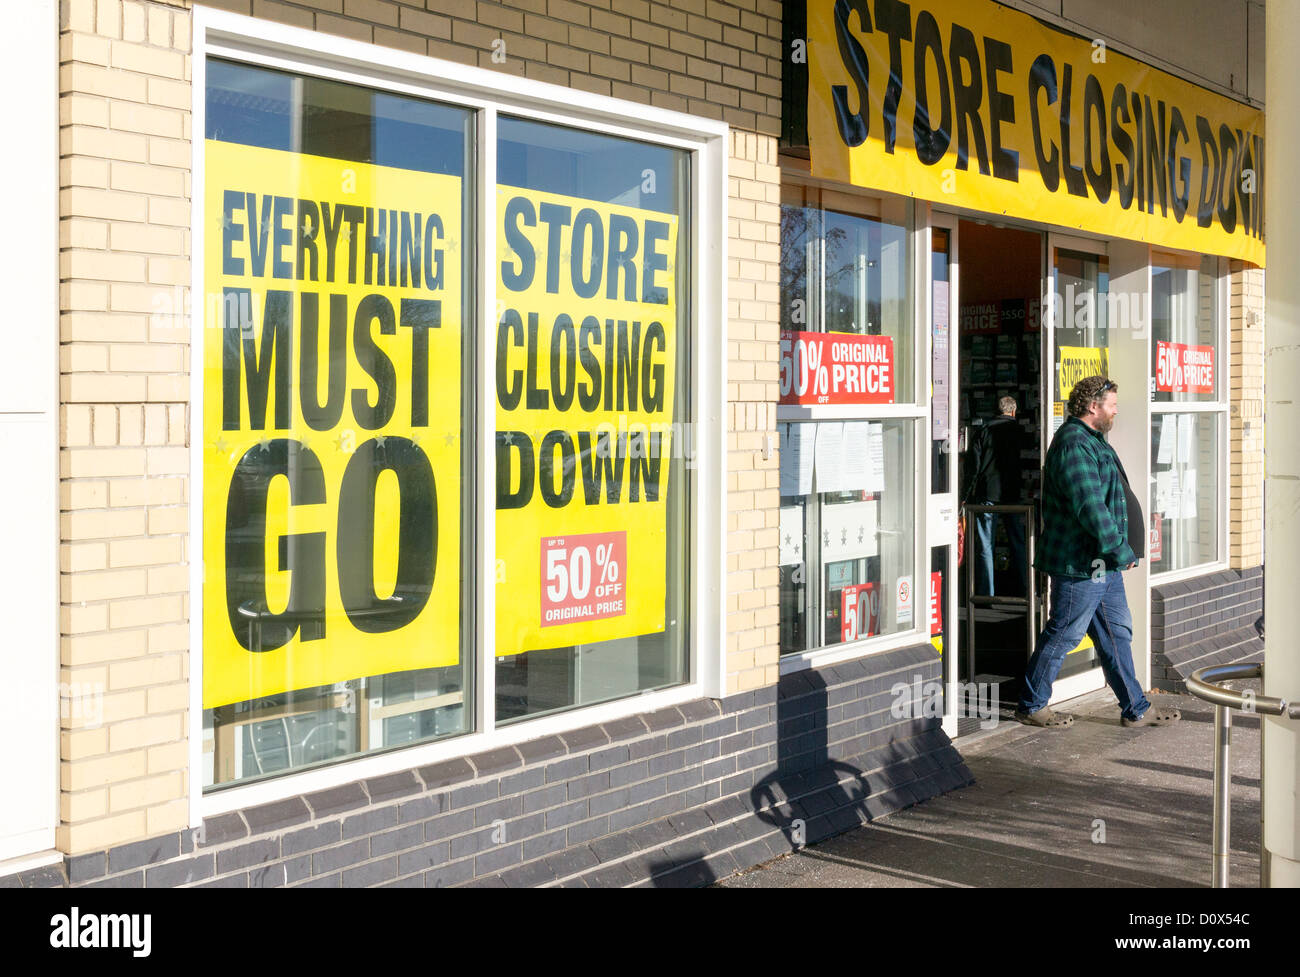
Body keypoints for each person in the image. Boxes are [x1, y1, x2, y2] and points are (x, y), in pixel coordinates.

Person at [1014, 376, 1180, 729]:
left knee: (1116, 632)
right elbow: (1090, 506)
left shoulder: (1093, 440)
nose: (1116, 411)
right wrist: (1120, 548)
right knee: (1064, 633)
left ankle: (1135, 707)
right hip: (1080, 564)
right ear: (1094, 406)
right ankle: (1031, 704)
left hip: (1101, 564)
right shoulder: (1074, 444)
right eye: (1113, 405)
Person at [961, 395, 1028, 596]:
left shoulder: (984, 431)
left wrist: (965, 494)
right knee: (1018, 542)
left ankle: (987, 593)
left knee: (986, 544)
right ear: (1014, 412)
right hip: (1013, 494)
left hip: (988, 493)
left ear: (996, 411)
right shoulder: (1020, 432)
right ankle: (1026, 587)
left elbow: (974, 467)